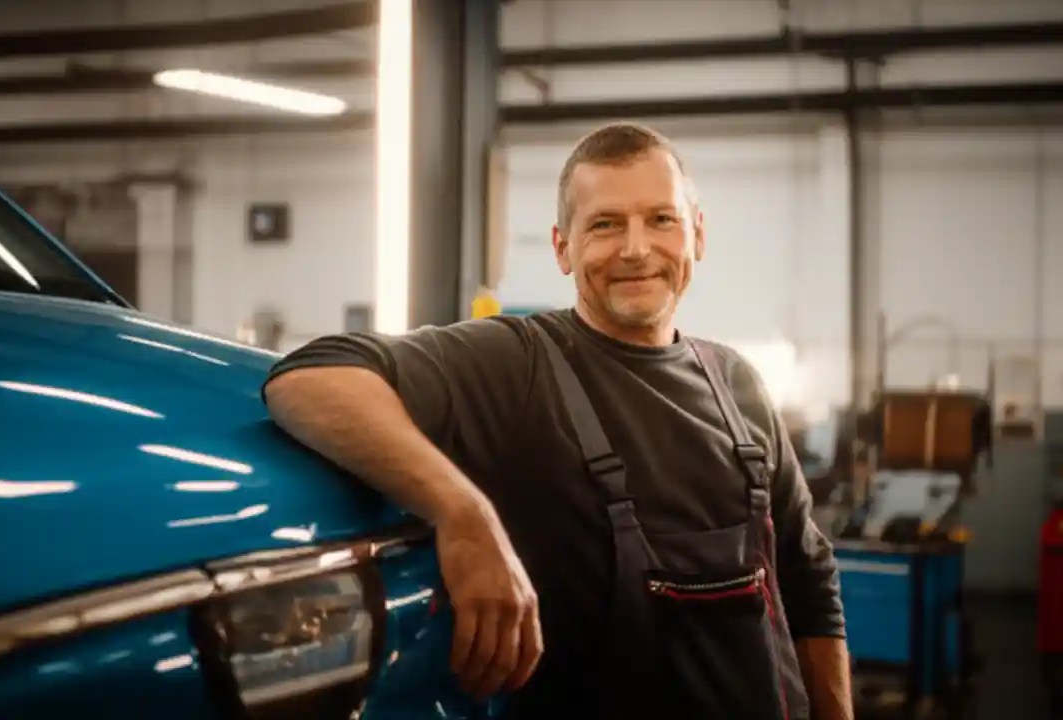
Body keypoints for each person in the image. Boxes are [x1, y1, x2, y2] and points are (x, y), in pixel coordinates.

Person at [262, 122, 851, 718]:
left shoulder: (738, 382)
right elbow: (310, 377)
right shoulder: (513, 364)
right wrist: (463, 513)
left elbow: (809, 583)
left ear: (697, 235)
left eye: (661, 219)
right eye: (605, 224)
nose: (635, 248)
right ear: (563, 247)